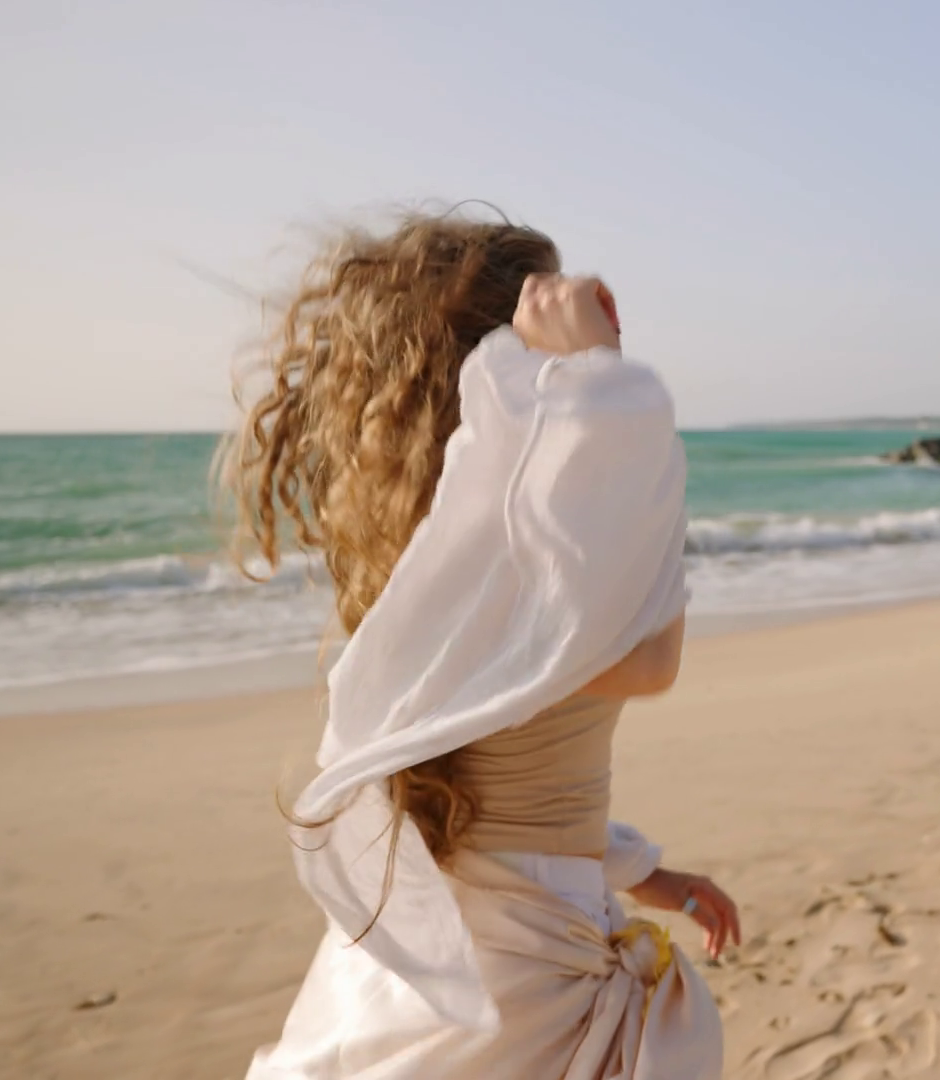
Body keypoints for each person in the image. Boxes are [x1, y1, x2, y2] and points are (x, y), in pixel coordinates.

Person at [224, 209, 735, 1078]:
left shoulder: (429, 552)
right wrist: (607, 390)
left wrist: (637, 869)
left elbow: (493, 780)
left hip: (495, 937)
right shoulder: (508, 552)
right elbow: (650, 659)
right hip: (517, 983)